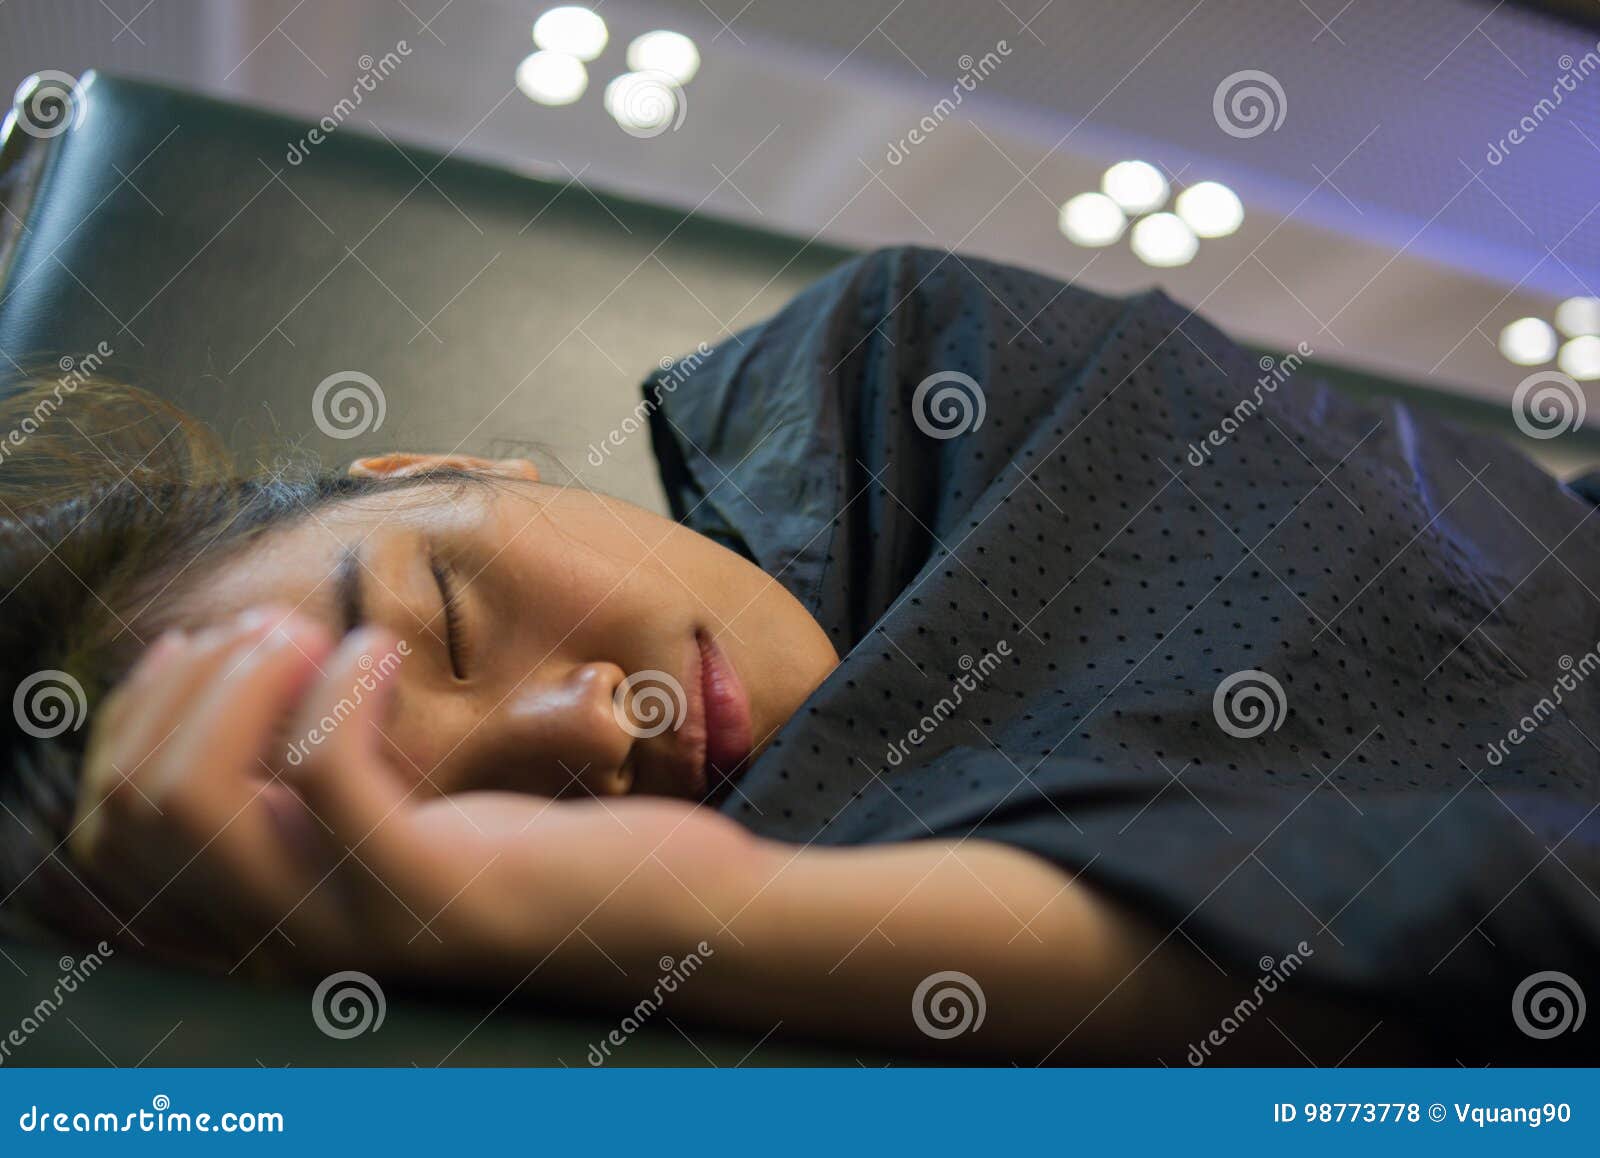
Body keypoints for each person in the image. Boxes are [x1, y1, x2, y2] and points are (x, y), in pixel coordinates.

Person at [1, 247, 1594, 1064]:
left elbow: (1516, 876)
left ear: (426, 471)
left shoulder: (906, 369)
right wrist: (605, 910)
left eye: (453, 620)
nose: (591, 727)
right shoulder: (660, 998)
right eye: (515, 809)